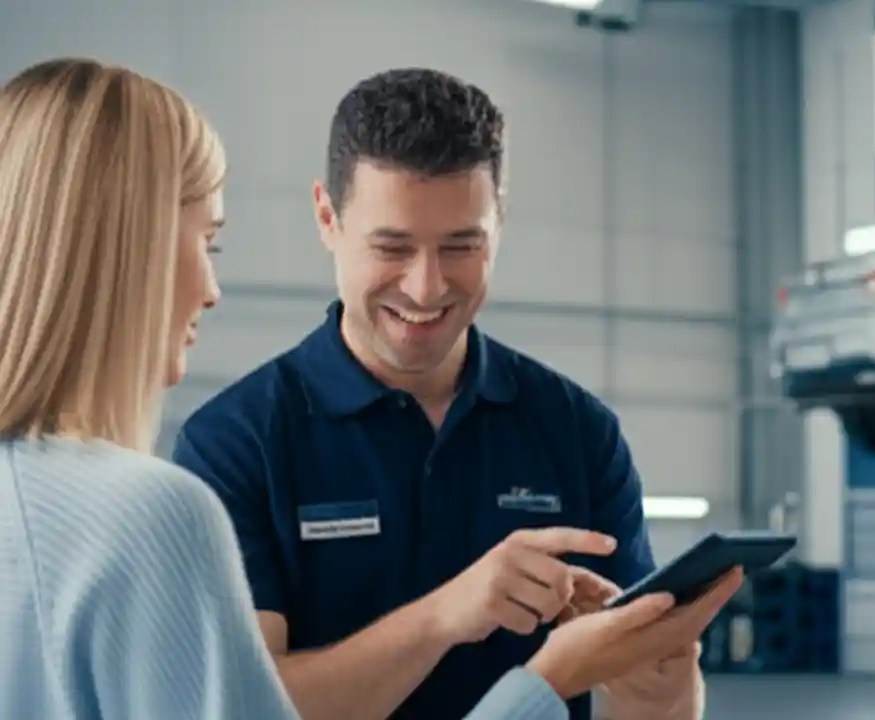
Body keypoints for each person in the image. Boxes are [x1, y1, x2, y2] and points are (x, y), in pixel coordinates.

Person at [0, 57, 743, 720]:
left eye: (462, 246)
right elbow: (253, 708)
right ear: (328, 216)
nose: (427, 286)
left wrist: (658, 678)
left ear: (500, 227)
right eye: (392, 247)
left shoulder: (579, 429)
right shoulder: (229, 447)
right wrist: (487, 641)